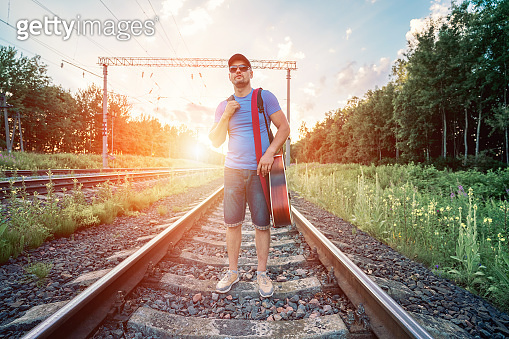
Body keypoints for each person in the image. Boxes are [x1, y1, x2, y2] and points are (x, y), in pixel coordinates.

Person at [208, 53, 290, 298]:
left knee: (262, 224)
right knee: (232, 224)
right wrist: (226, 116)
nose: (238, 72)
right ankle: (232, 271)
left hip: (260, 171)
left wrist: (269, 153)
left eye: (243, 68)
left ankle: (262, 274)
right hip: (232, 171)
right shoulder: (224, 105)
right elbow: (215, 140)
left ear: (251, 72)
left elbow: (284, 128)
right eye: (233, 69)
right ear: (229, 75)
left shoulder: (264, 97)